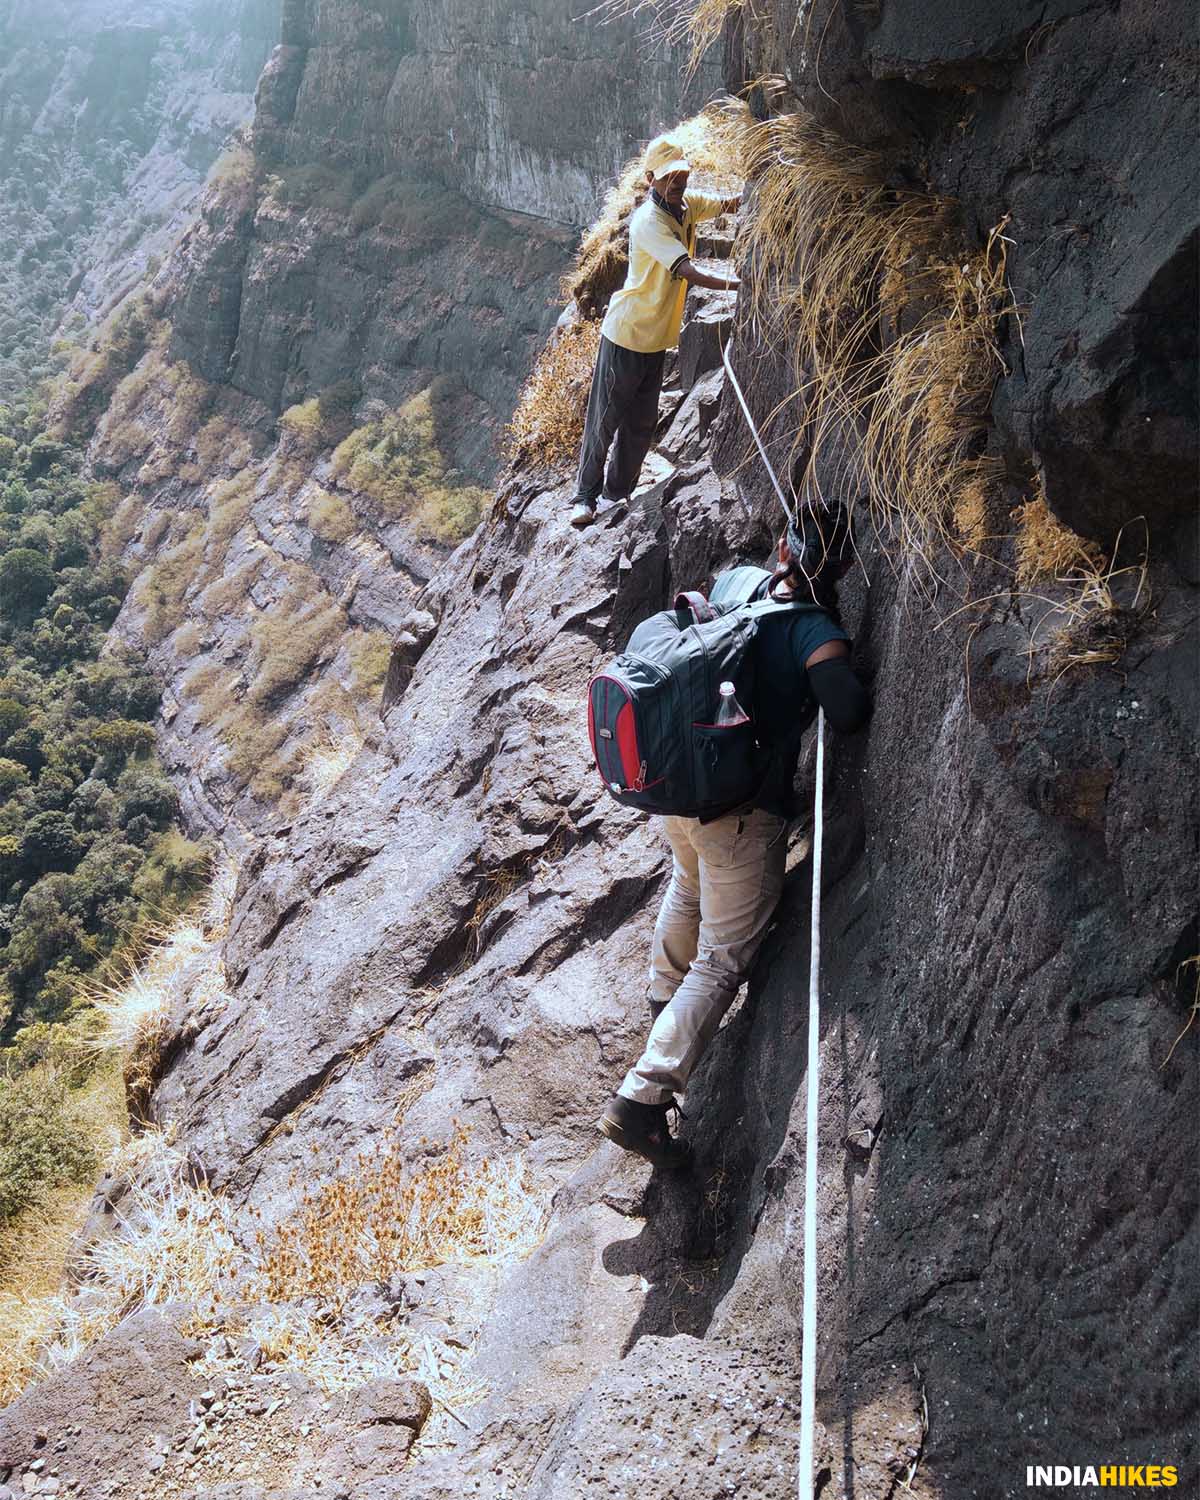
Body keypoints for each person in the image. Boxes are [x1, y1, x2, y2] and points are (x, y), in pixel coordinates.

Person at [599, 506, 872, 1168]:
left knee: (687, 882)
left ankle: (665, 999)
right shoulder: (812, 630)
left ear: (783, 548)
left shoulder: (737, 584)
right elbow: (849, 711)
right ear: (836, 568)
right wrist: (835, 640)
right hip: (741, 816)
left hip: (682, 795)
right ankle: (641, 1102)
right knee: (722, 962)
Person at [568, 135, 741, 530]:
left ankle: (617, 492)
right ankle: (584, 497)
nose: (677, 182)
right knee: (605, 420)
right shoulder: (649, 222)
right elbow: (687, 271)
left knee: (642, 423)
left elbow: (727, 203)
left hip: (655, 339)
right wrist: (739, 285)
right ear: (651, 180)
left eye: (681, 174)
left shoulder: (684, 206)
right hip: (627, 334)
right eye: (668, 177)